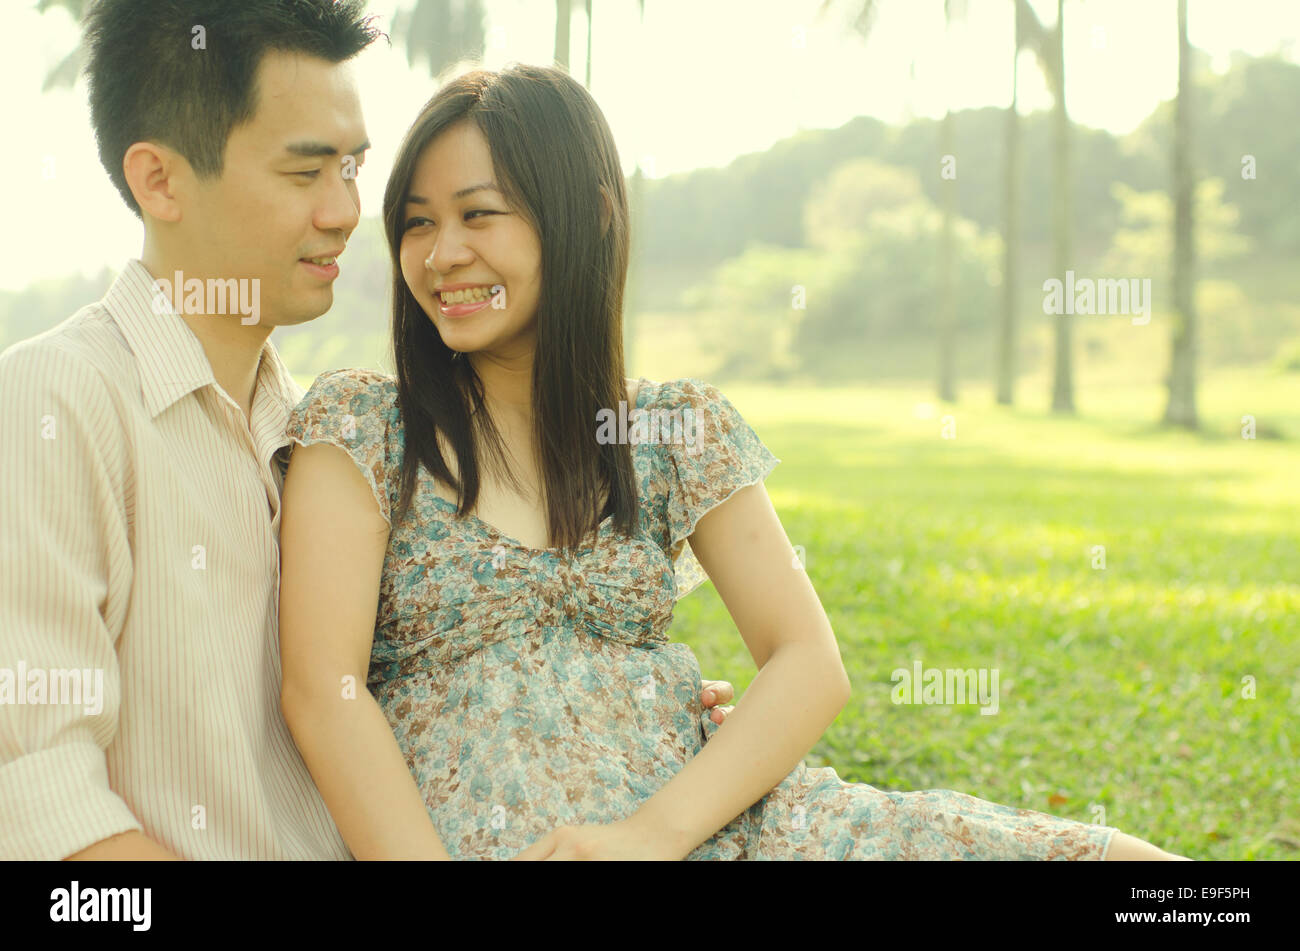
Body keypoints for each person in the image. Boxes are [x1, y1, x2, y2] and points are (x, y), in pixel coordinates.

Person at [278, 65, 1189, 861]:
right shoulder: (364, 427)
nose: (441, 256)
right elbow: (324, 692)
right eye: (417, 224)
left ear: (587, 215)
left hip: (718, 825)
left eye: (480, 215)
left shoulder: (674, 429)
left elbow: (806, 658)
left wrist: (653, 835)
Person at [0, 0, 735, 861]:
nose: (347, 212)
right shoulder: (58, 399)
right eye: (304, 173)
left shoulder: (320, 432)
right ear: (159, 180)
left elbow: (376, 689)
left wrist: (613, 709)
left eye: (352, 169)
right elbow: (41, 802)